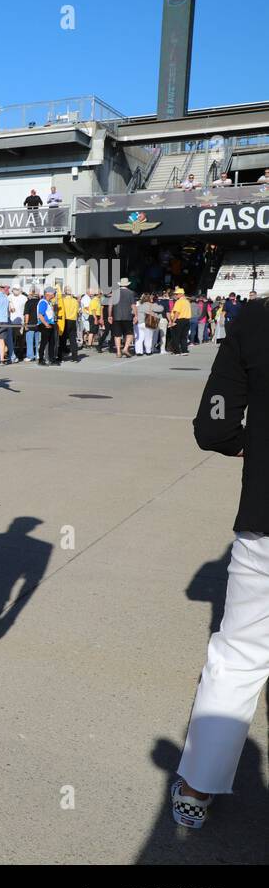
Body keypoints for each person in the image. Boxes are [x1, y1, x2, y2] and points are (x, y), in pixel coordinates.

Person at [181, 297, 269, 829]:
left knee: (239, 656)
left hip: (265, 516)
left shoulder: (256, 319)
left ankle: (197, 790)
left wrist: (251, 447)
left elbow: (212, 427)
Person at [171, 287, 192, 355]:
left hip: (179, 320)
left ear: (181, 294)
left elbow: (177, 312)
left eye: (177, 294)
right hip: (187, 320)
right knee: (184, 336)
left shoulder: (179, 301)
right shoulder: (187, 301)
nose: (175, 295)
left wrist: (173, 321)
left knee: (176, 336)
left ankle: (177, 351)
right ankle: (184, 351)